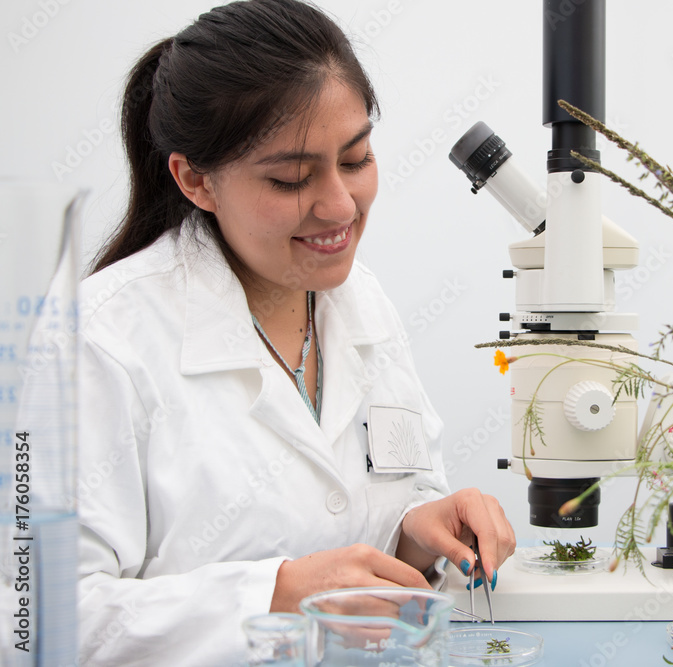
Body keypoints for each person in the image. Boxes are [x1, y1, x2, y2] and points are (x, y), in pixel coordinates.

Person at [73, 0, 515, 663]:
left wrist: (418, 529)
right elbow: (37, 617)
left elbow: (385, 495)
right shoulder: (101, 338)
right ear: (196, 179)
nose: (340, 205)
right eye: (290, 178)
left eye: (357, 157)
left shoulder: (360, 301)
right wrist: (273, 594)